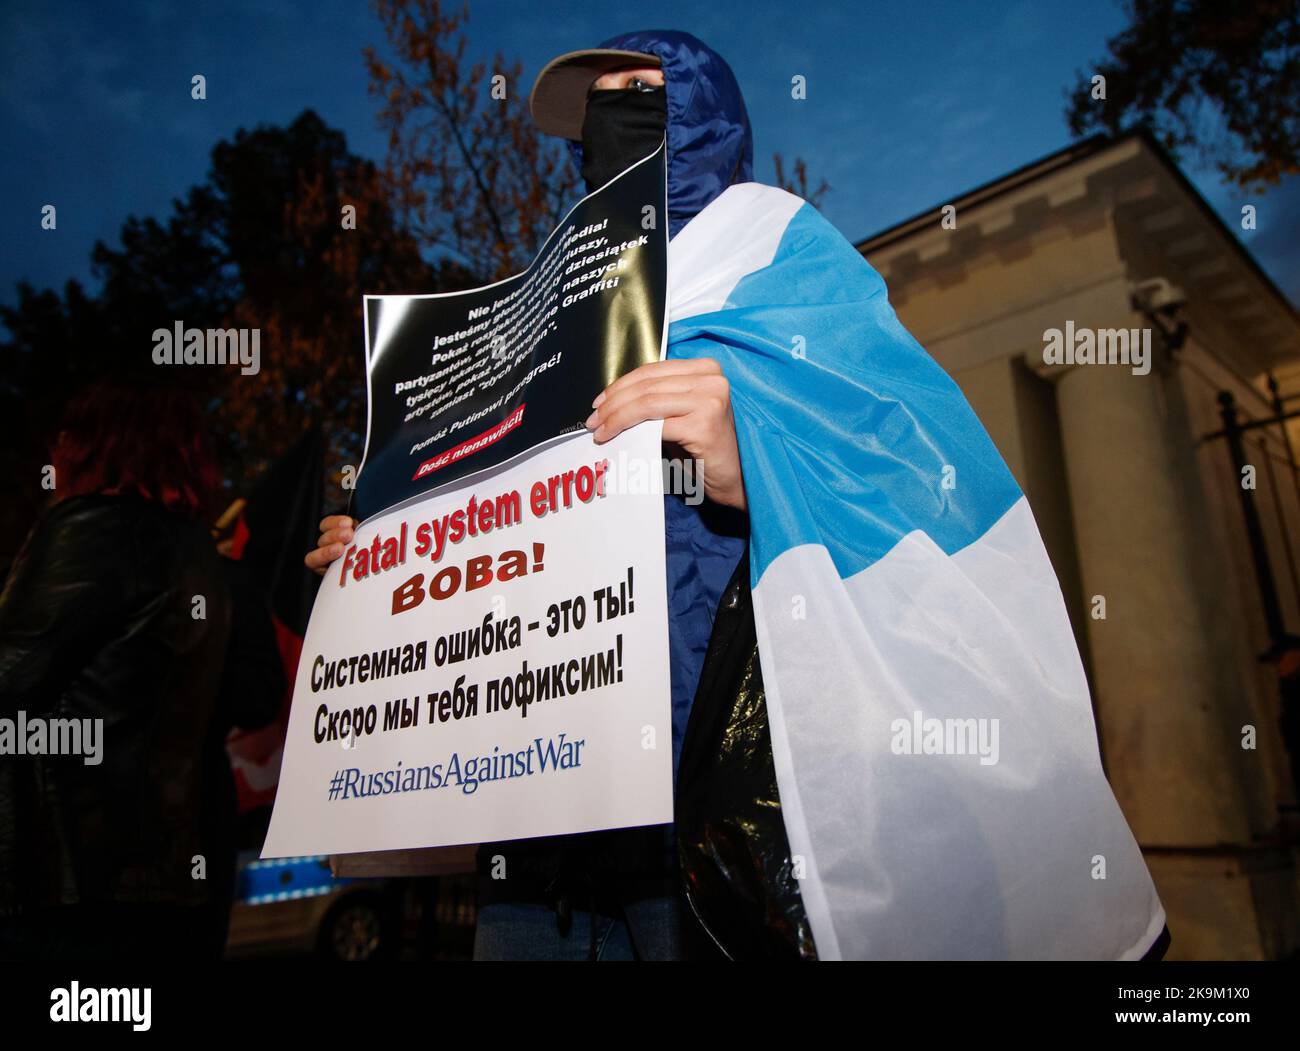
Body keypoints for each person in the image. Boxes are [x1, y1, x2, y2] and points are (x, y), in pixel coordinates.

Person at [311, 30, 1168, 961]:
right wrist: (397, 551)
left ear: (702, 109)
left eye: (638, 91)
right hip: (545, 825)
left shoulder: (786, 259)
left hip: (714, 815)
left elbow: (910, 473)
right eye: (595, 109)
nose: (609, 120)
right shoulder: (544, 311)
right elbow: (508, 532)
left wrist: (750, 461)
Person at [0, 380, 279, 960]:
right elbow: (252, 696)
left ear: (98, 444)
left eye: (69, 433)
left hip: (71, 872)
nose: (55, 447)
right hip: (174, 872)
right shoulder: (208, 560)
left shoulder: (93, 529)